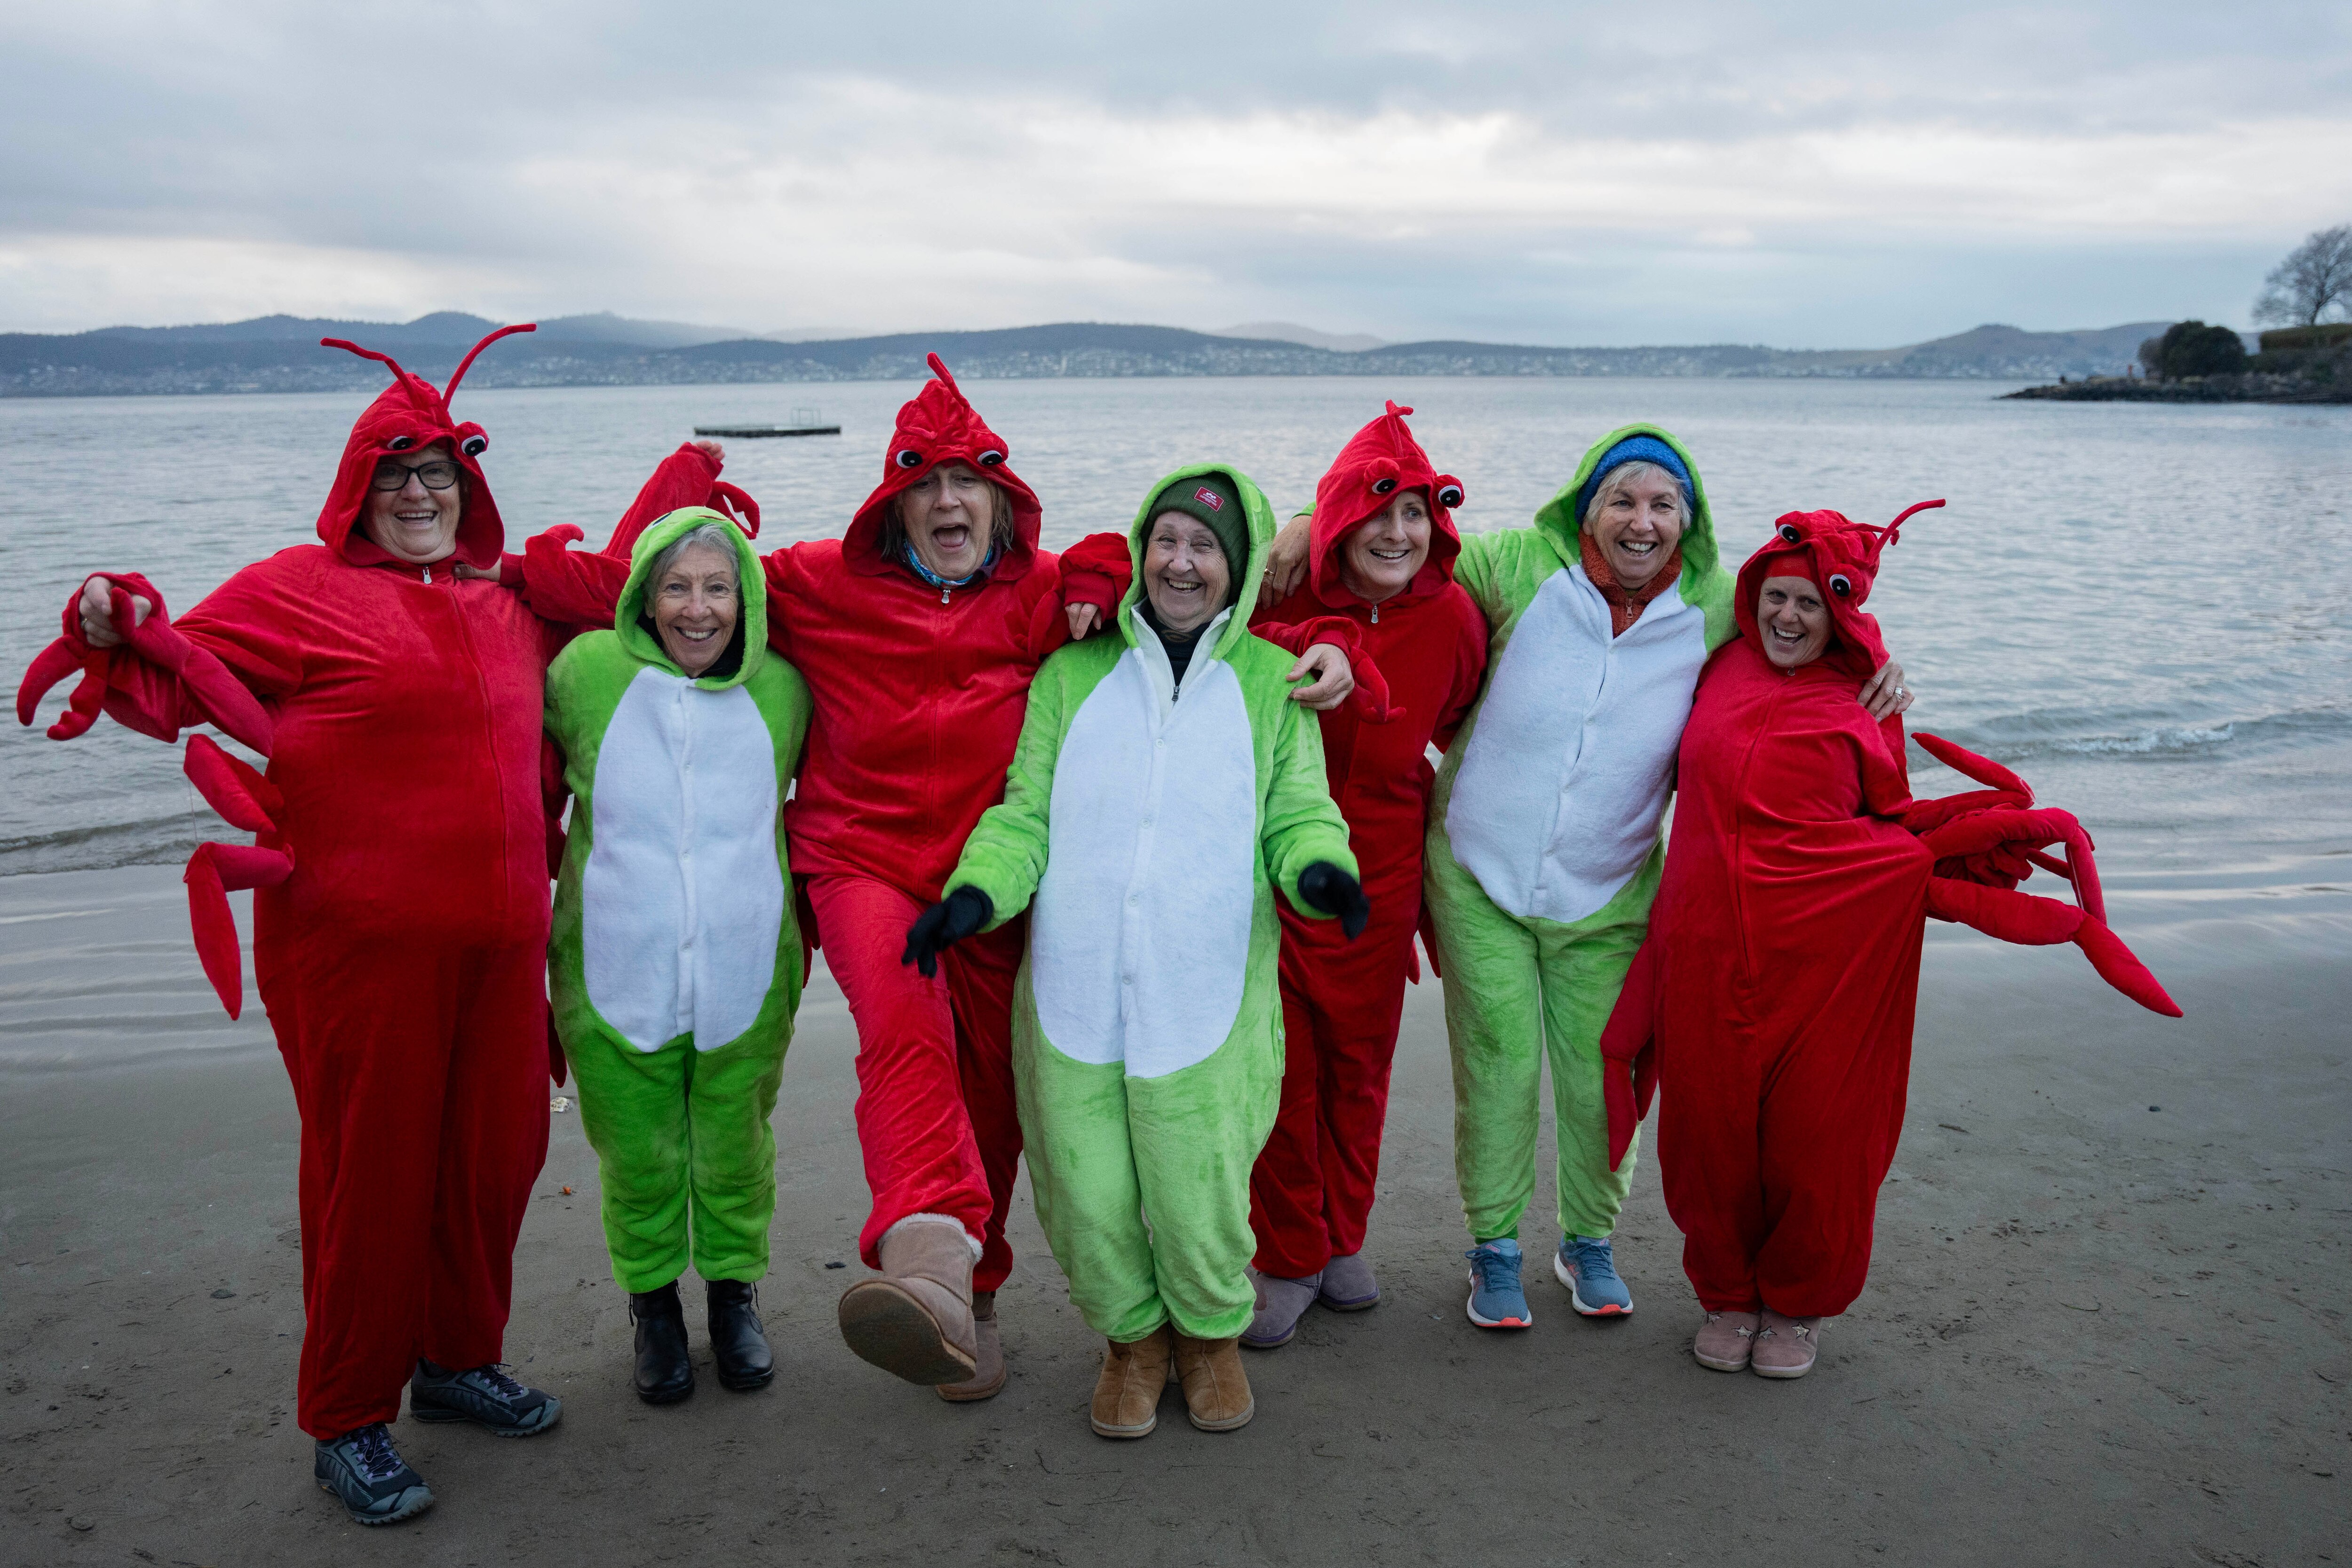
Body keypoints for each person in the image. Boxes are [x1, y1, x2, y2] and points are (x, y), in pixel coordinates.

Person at [514, 357, 1361, 1403]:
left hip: (993, 876)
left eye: (970, 483)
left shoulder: (1047, 592)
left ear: (1003, 500)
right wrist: (518, 574)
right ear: (893, 500)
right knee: (905, 1035)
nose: (949, 501)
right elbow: (675, 589)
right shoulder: (819, 581)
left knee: (999, 1098)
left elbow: (1187, 617)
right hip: (862, 859)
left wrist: (1314, 638)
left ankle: (980, 1294)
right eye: (924, 482)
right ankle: (928, 1262)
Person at [13, 327, 739, 1526]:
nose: (418, 491)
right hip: (357, 951)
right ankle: (347, 1414)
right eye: (395, 471)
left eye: (439, 471)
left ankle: (456, 1361)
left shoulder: (508, 604)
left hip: (504, 944)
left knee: (493, 1161)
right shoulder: (298, 588)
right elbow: (166, 671)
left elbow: (647, 607)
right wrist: (102, 614)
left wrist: (688, 496)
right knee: (373, 1173)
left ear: (470, 486)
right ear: (359, 488)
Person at [1262, 425, 1913, 1333]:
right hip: (1476, 868)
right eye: (1623, 500)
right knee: (1497, 1066)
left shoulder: (1716, 603)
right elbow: (1400, 545)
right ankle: (1492, 1247)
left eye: (1662, 505)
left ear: (1689, 518)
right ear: (1587, 505)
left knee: (1602, 1073)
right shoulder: (1519, 565)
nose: (1641, 522)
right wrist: (1301, 517)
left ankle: (1588, 1240)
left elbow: (1801, 617)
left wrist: (1873, 659)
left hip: (1609, 887)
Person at [1597, 502, 2180, 1378]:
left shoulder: (1865, 700)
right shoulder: (1713, 665)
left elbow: (1889, 817)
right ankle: (1725, 1290)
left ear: (1843, 616)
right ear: (1753, 594)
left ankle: (1796, 1303)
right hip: (1706, 941)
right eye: (1778, 598)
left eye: (1812, 606)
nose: (1789, 618)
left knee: (1819, 1136)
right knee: (1708, 1134)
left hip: (1830, 955)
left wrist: (1926, 856)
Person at [904, 465, 1367, 1439]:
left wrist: (1322, 871)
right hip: (1073, 992)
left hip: (1203, 997)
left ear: (1234, 567)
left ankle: (1207, 1333)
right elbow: (1023, 812)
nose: (1179, 561)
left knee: (1198, 1185)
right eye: (1164, 540)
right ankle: (1131, 1336)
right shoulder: (1073, 674)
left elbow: (1299, 813)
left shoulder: (1269, 686)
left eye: (1203, 546)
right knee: (1086, 1187)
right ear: (1138, 550)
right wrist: (975, 893)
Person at [542, 506, 812, 1404]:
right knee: (638, 1151)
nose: (698, 610)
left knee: (736, 1147)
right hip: (616, 971)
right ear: (644, 597)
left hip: (746, 971)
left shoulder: (786, 687)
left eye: (718, 588)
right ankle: (654, 1307)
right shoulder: (582, 675)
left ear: (748, 597)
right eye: (676, 587)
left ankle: (735, 1297)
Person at [1239, 403, 1489, 1347]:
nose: (1396, 532)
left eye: (1416, 514)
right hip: (1273, 865)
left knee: (1361, 1067)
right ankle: (1291, 1252)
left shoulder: (1456, 615)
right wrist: (1292, 535)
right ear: (1339, 517)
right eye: (1376, 512)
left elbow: (1457, 715)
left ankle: (1343, 1237)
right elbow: (1193, 603)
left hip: (1382, 874)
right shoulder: (1284, 596)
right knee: (1285, 1069)